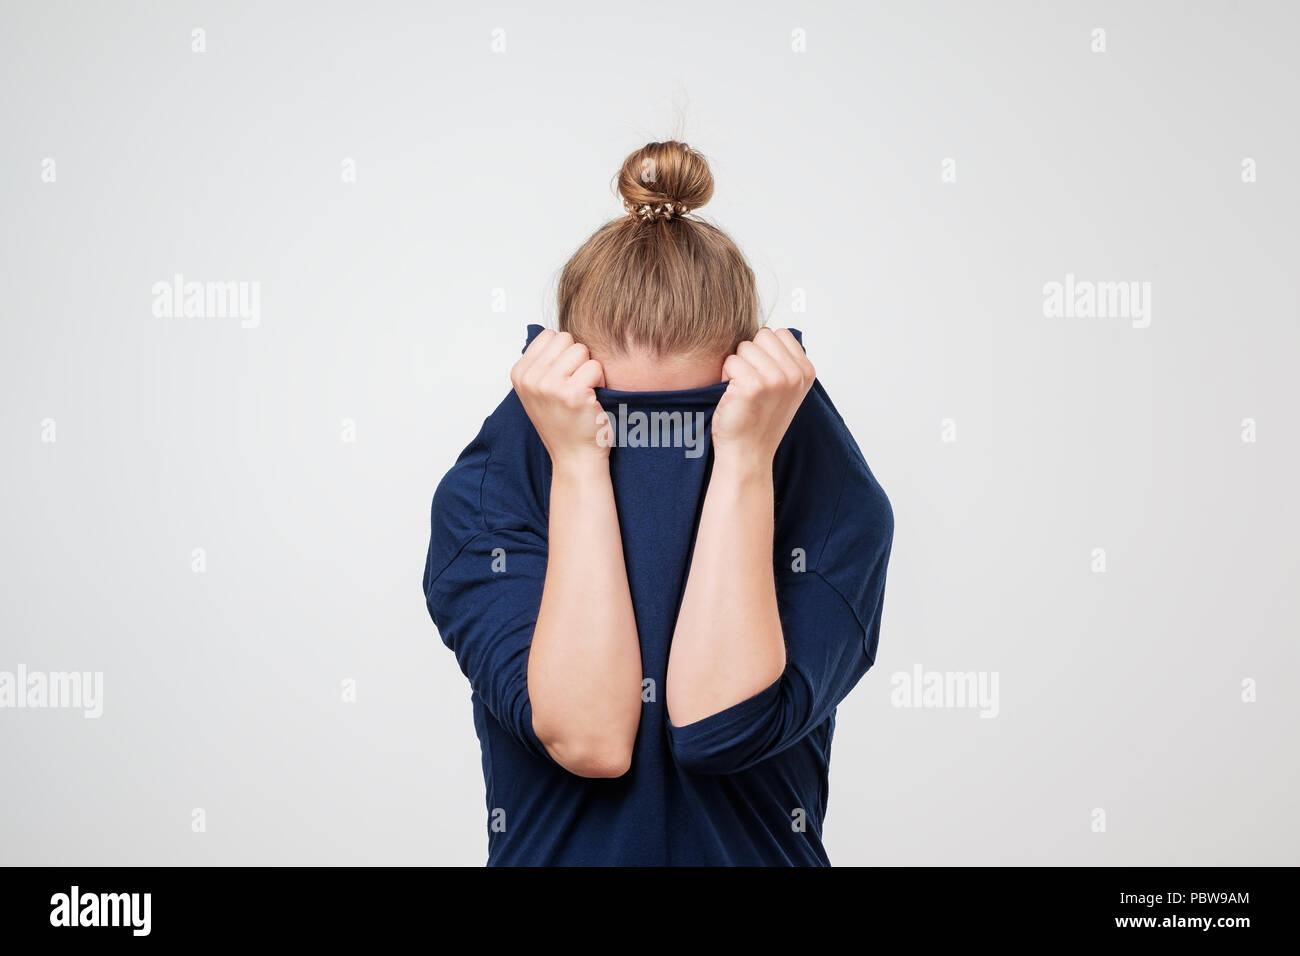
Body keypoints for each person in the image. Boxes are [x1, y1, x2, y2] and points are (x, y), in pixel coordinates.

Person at [423, 141, 894, 865]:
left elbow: (720, 727)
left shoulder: (830, 502)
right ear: (558, 391)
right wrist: (580, 461)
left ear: (749, 393)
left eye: (694, 420)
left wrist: (741, 459)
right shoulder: (487, 501)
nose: (658, 452)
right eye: (620, 419)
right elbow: (589, 738)